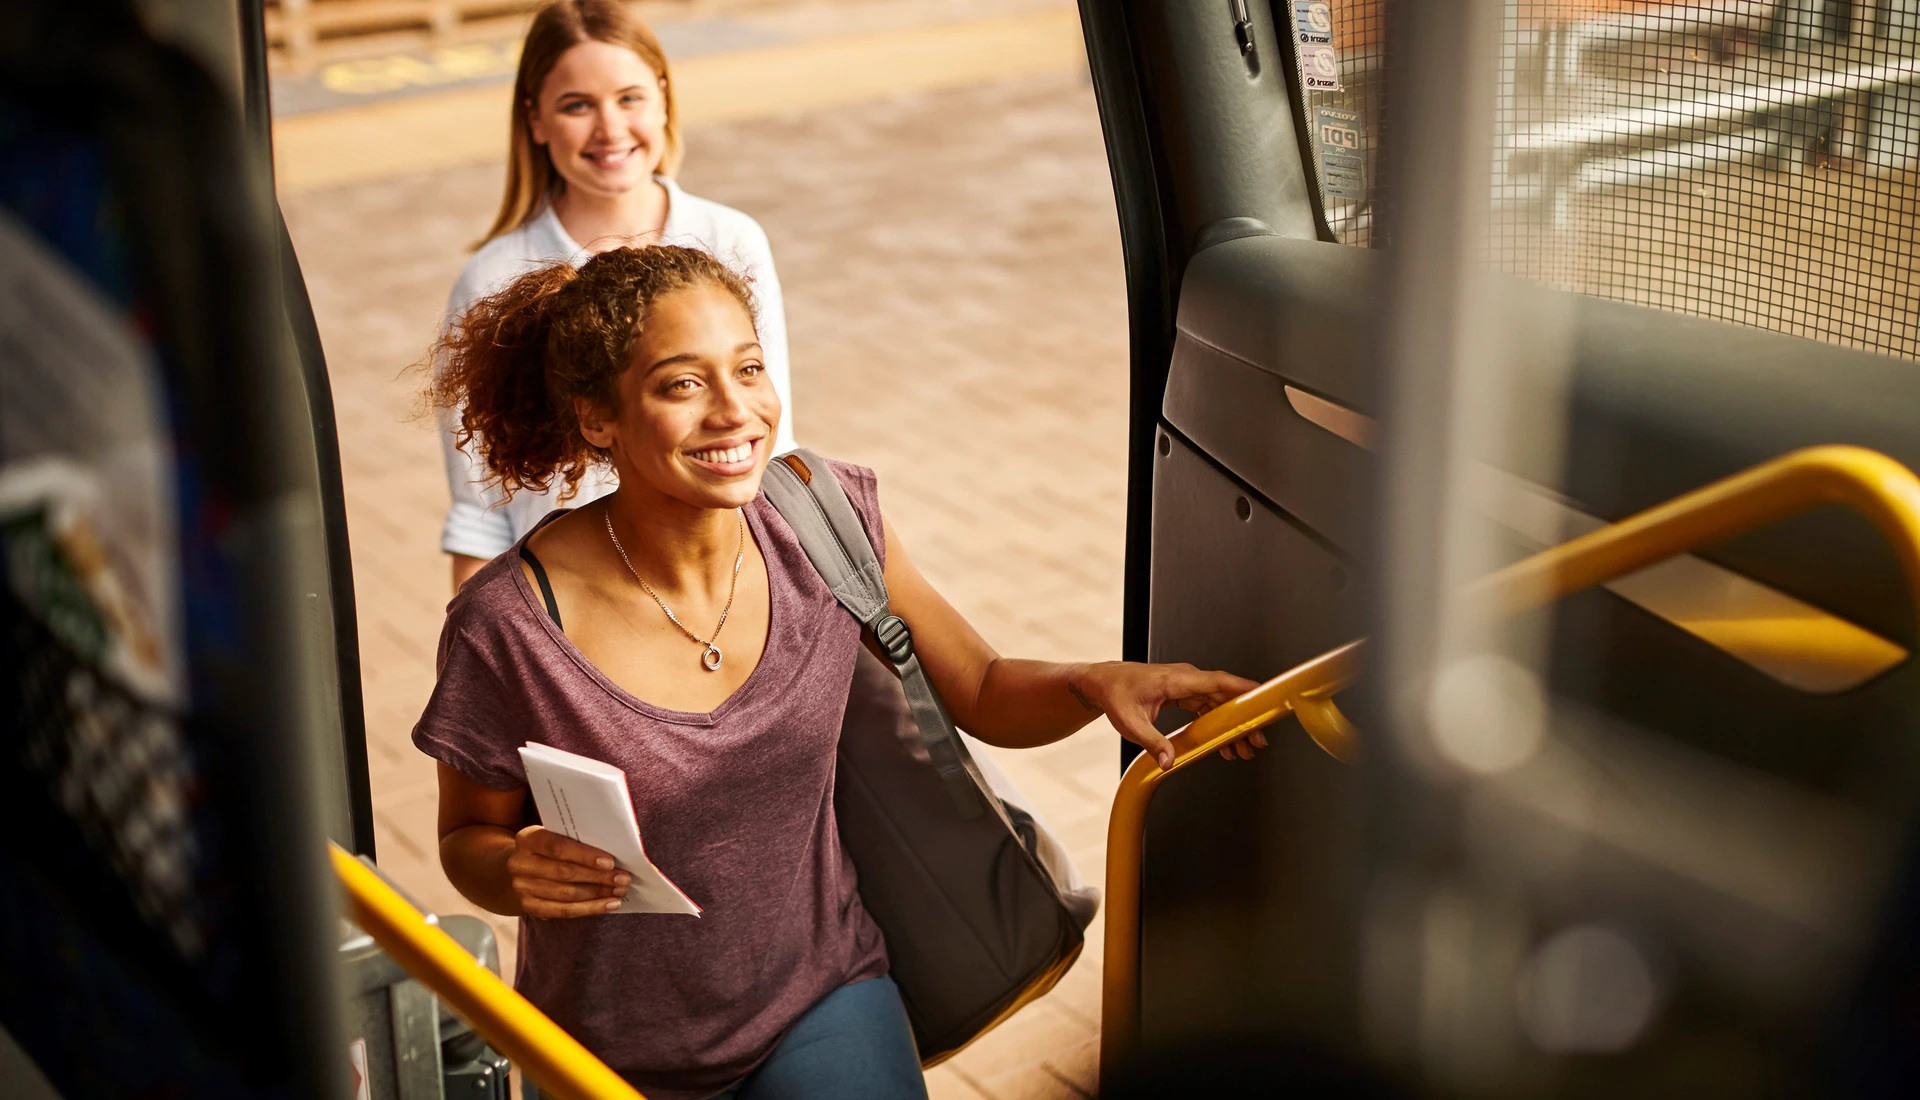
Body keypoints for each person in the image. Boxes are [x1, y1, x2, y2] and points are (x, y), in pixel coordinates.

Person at [417, 245, 1269, 1099]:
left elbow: (981, 687)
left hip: (820, 996)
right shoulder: (509, 626)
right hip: (600, 1050)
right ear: (599, 418)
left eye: (748, 368)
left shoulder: (823, 522)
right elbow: (466, 841)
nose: (734, 411)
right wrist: (510, 868)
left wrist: (1096, 681)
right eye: (682, 384)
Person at [438, 0, 795, 593]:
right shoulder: (492, 277)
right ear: (536, 120)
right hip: (572, 602)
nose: (609, 128)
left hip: (721, 588)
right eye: (577, 105)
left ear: (662, 98)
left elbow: (772, 442)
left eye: (629, 98)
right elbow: (480, 510)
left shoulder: (732, 239)